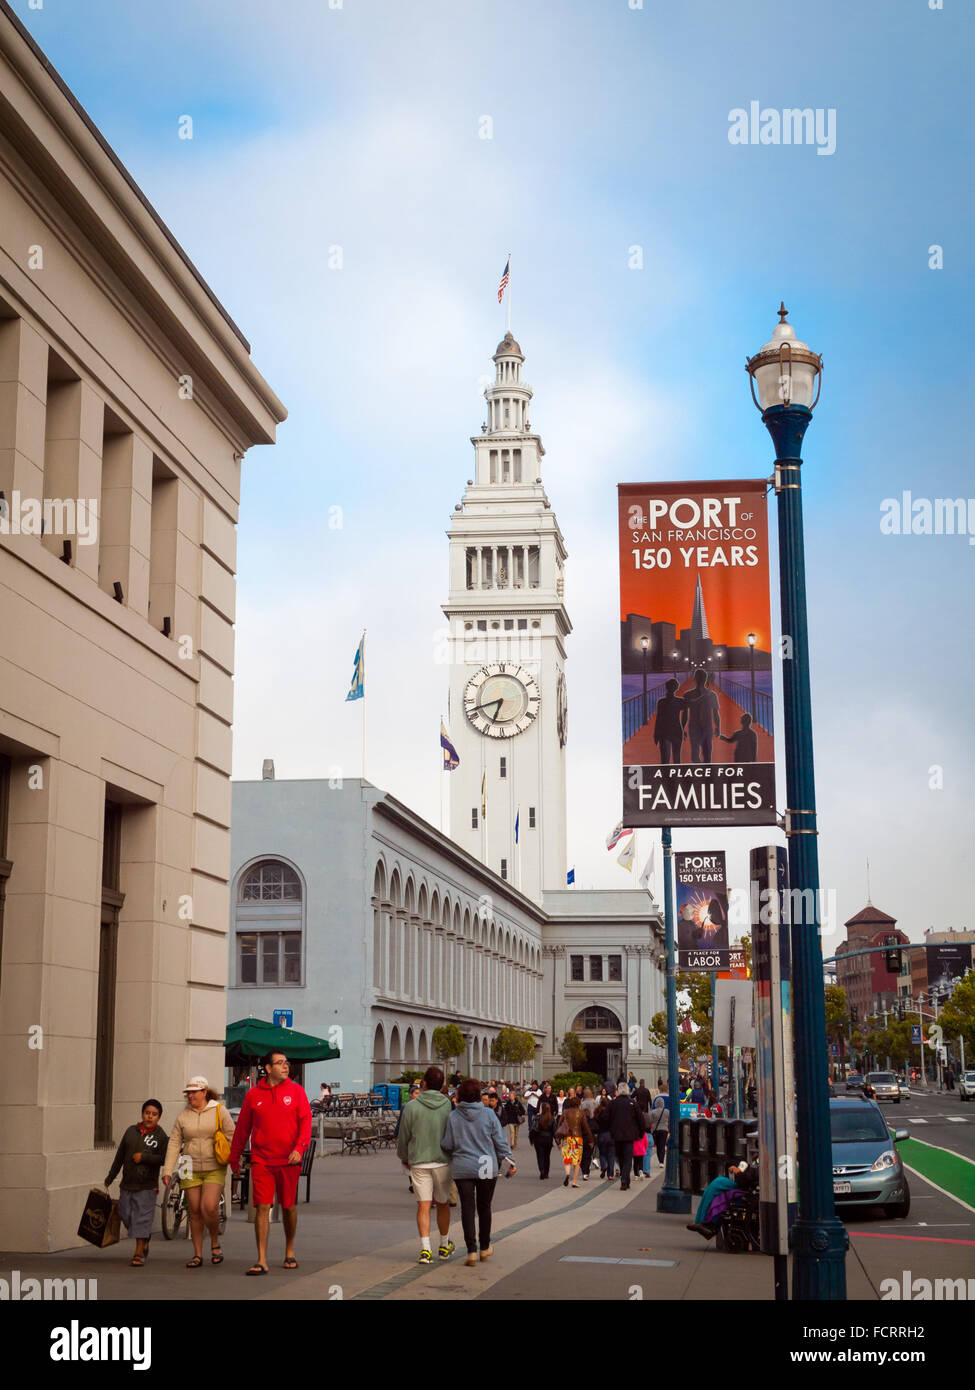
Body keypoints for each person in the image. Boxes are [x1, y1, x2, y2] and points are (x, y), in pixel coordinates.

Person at [229, 1049, 311, 1275]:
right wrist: (234, 1158)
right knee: (262, 1207)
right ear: (268, 1068)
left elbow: (305, 1122)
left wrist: (299, 1148)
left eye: (287, 1062)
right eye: (280, 1063)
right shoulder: (253, 1095)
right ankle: (261, 1259)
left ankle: (290, 1249)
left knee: (288, 1208)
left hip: (289, 1160)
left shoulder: (296, 1092)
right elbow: (243, 1128)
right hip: (261, 1159)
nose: (286, 1066)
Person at [163, 1077, 235, 1269]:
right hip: (188, 1165)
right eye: (188, 1092)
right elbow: (174, 1143)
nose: (191, 1095)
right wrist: (168, 1170)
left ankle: (214, 1241)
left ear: (204, 1092)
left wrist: (235, 1161)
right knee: (194, 1211)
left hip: (214, 1165)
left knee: (209, 1207)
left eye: (194, 1092)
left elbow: (232, 1136)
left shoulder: (219, 1111)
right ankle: (197, 1254)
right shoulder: (183, 1115)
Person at [441, 1077, 515, 1266]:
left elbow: (447, 1144)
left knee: (467, 1207)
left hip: (463, 1165)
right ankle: (484, 1247)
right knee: (484, 1207)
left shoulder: (454, 1116)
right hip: (485, 1164)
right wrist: (510, 1160)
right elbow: (499, 1140)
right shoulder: (489, 1114)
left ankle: (471, 1250)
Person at [395, 1065, 454, 1264]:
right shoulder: (447, 1105)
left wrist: (404, 1156)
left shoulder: (411, 1107)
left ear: (424, 1084)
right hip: (443, 1161)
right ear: (442, 1085)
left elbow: (403, 1137)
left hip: (419, 1161)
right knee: (443, 1203)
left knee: (423, 1205)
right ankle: (444, 1245)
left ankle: (425, 1249)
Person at [104, 1099, 165, 1266]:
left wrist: (144, 1157)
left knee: (142, 1218)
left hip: (147, 1186)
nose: (150, 1117)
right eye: (147, 1113)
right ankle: (144, 1238)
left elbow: (163, 1158)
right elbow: (120, 1156)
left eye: (154, 1114)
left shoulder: (160, 1135)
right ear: (142, 1114)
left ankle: (139, 1252)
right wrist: (110, 1177)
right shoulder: (131, 1131)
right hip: (127, 1183)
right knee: (124, 1213)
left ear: (158, 1117)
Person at [609, 1082, 644, 1189]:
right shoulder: (632, 1103)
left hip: (617, 1135)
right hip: (629, 1135)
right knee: (628, 1158)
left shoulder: (613, 1103)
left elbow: (606, 1117)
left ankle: (625, 1180)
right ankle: (625, 1179)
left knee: (620, 1157)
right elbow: (640, 1119)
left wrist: (611, 1129)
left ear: (619, 1090)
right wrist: (641, 1132)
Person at [682, 668, 721, 764]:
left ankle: (701, 773)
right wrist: (718, 727)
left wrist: (682, 728)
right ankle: (704, 773)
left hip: (698, 728)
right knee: (705, 754)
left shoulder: (688, 694)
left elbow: (685, 714)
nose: (700, 680)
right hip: (703, 727)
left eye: (701, 678)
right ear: (706, 679)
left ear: (694, 679)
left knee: (697, 755)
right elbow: (715, 713)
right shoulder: (712, 695)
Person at [558, 1096, 593, 1189]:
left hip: (566, 1138)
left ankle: (567, 1174)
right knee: (577, 1160)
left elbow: (559, 1124)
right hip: (578, 1139)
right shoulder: (581, 1113)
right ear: (578, 1103)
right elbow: (586, 1127)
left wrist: (558, 1138)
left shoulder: (565, 1112)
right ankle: (574, 1181)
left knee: (567, 1158)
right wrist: (591, 1139)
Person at [654, 678, 686, 765]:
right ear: (677, 688)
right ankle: (677, 777)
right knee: (677, 759)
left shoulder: (661, 702)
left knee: (665, 760)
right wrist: (683, 727)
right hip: (677, 731)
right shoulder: (680, 701)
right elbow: (689, 708)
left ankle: (665, 777)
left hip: (664, 732)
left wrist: (656, 735)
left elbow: (659, 719)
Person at [533, 1100, 555, 1179]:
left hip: (538, 1139)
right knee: (547, 1156)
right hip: (548, 1139)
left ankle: (541, 1170)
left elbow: (534, 1129)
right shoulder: (551, 1118)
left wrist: (532, 1139)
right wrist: (557, 1141)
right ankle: (546, 1172)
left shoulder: (537, 1117)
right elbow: (554, 1130)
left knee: (540, 1156)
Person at [595, 1096, 615, 1179]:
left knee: (602, 1153)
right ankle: (610, 1174)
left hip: (601, 1135)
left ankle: (603, 1166)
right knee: (611, 1155)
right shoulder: (611, 1113)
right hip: (610, 1135)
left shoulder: (598, 1113)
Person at [579, 1087, 598, 1179]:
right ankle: (586, 1170)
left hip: (582, 1132)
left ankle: (584, 1170)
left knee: (582, 1152)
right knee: (589, 1152)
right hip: (592, 1131)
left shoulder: (582, 1104)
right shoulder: (595, 1103)